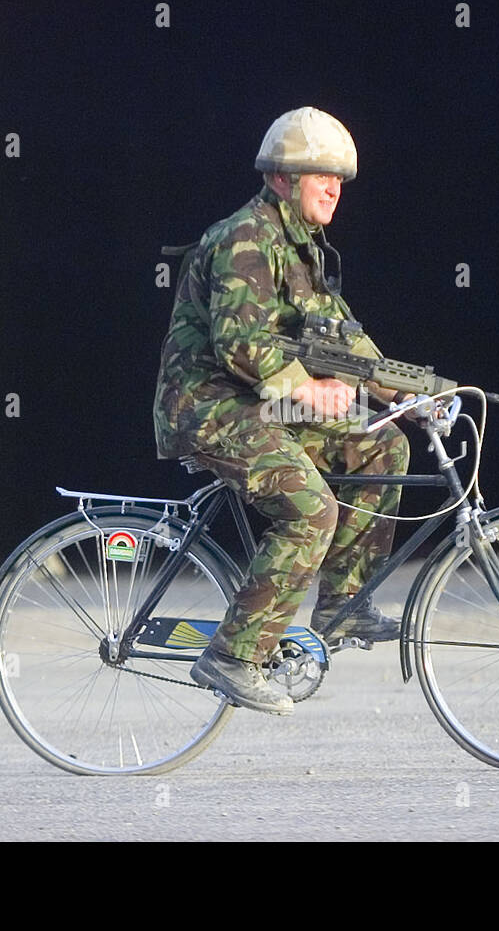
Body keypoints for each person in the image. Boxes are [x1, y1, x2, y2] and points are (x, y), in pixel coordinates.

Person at [152, 107, 411, 715]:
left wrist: (411, 393)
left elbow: (346, 338)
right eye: (320, 175)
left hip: (257, 403)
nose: (333, 189)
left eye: (340, 180)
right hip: (210, 407)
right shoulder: (247, 237)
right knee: (312, 511)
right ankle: (234, 656)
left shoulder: (303, 250)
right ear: (281, 180)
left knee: (381, 444)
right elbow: (241, 345)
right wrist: (305, 388)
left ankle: (341, 607)